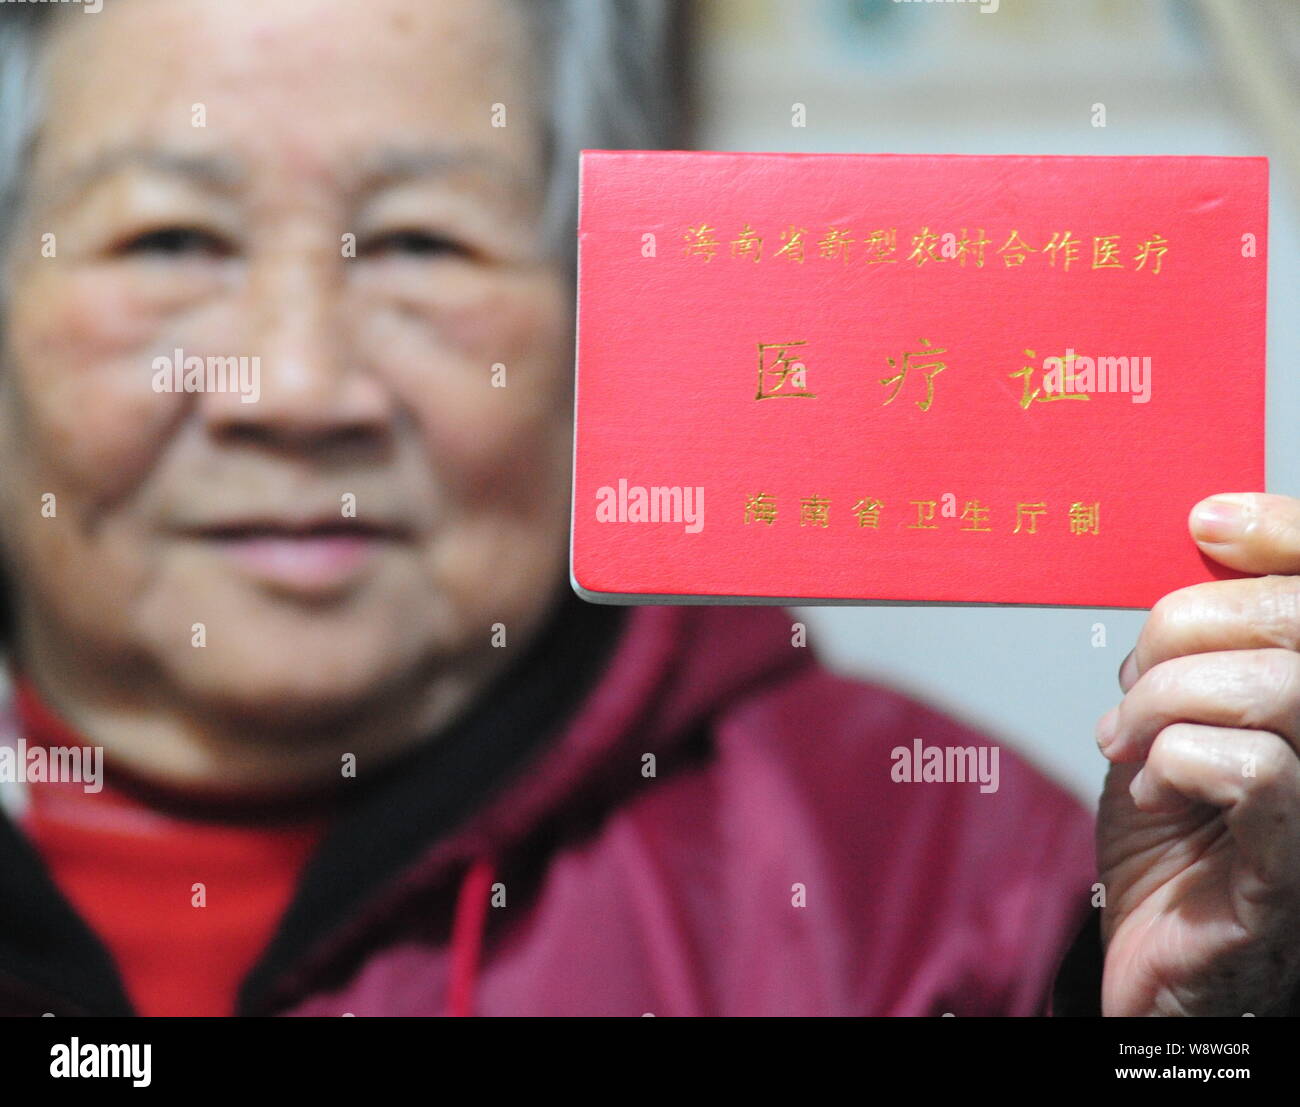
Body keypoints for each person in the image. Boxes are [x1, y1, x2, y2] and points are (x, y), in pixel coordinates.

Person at [0, 0, 1295, 1018]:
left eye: (421, 244)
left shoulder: (945, 883)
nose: (294, 387)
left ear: (598, 315)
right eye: (166, 241)